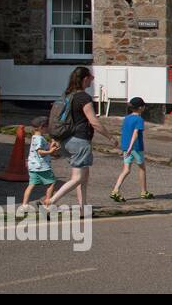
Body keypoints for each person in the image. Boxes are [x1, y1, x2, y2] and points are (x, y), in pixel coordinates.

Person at [44, 66, 117, 209]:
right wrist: (110, 137)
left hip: (65, 140)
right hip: (80, 141)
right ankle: (50, 202)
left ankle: (83, 209)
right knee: (78, 178)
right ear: (85, 79)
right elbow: (94, 122)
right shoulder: (83, 97)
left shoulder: (67, 95)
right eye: (91, 77)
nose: (92, 80)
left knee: (83, 177)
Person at [110, 97, 152, 202]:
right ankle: (143, 191)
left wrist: (126, 147)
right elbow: (135, 133)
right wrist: (130, 147)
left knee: (126, 169)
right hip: (136, 147)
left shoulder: (127, 118)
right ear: (141, 108)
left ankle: (115, 190)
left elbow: (125, 132)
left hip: (125, 146)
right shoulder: (139, 119)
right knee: (142, 168)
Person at [21, 116, 60, 213]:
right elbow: (40, 152)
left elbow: (43, 148)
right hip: (42, 166)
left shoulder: (35, 137)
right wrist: (51, 151)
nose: (48, 129)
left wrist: (51, 145)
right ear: (42, 127)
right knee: (51, 183)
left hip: (33, 166)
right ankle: (47, 204)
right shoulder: (40, 139)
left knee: (31, 185)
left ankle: (24, 205)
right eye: (47, 127)